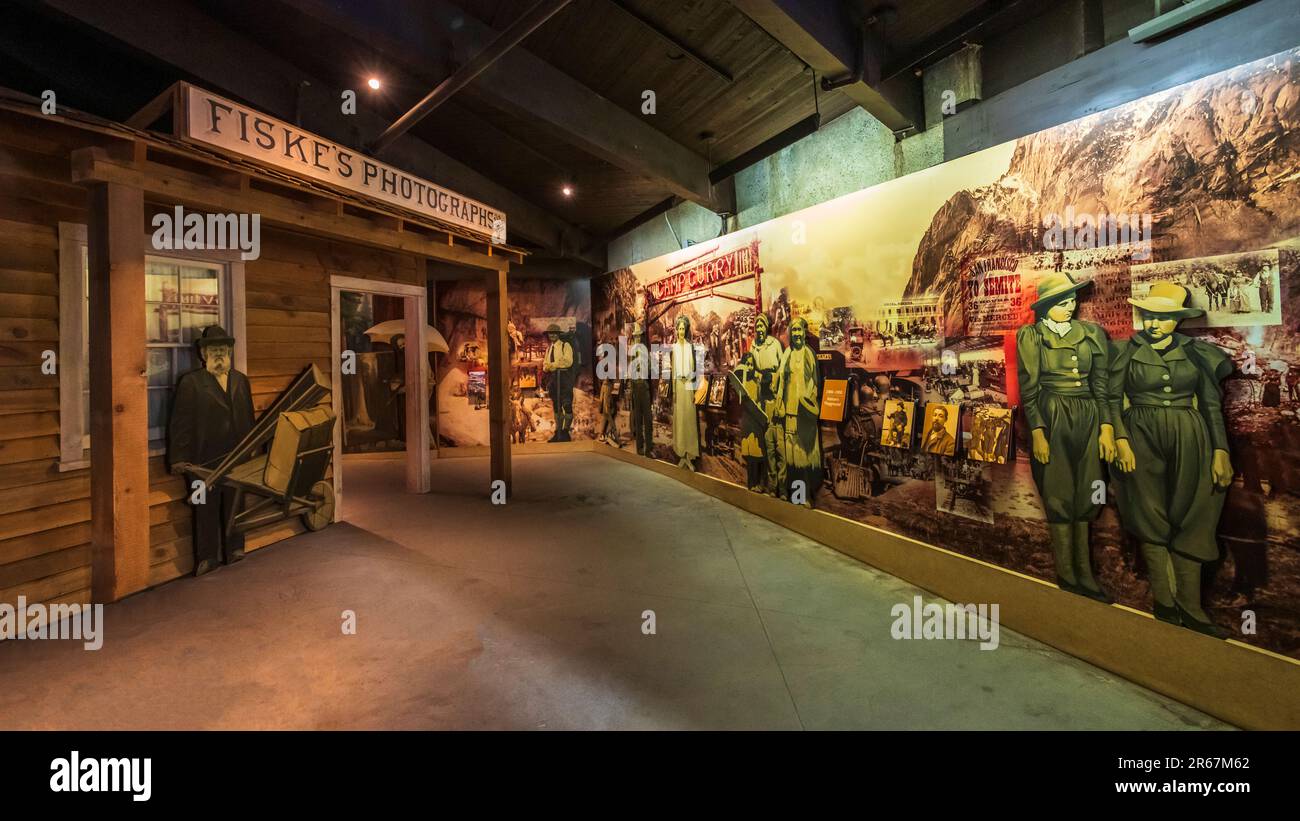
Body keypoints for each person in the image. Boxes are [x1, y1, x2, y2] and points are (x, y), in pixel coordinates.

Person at [1109, 280, 1234, 637]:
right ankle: (1165, 601)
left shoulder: (1198, 354)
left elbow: (1211, 406)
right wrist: (1119, 438)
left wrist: (1220, 451)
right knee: (1147, 509)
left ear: (1178, 320)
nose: (1152, 324)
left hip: (1190, 435)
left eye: (1162, 318)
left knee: (1194, 510)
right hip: (1139, 435)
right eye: (1148, 316)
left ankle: (1190, 606)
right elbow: (1111, 400)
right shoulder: (1126, 352)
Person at [1015, 272, 1114, 602]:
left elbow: (1102, 385)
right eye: (1061, 302)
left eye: (1071, 300)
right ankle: (1066, 572)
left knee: (1087, 489)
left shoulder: (1091, 334)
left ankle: (1085, 573)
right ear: (1046, 307)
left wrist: (1106, 428)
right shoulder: (1031, 336)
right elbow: (1030, 389)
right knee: (1058, 490)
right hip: (1053, 413)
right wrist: (1039, 432)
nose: (1069, 306)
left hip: (1087, 413)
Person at [167, 325, 255, 576]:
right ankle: (207, 557)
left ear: (229, 351)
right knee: (204, 507)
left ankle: (235, 548)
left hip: (236, 457)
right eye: (213, 349)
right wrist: (180, 459)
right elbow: (180, 423)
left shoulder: (240, 380)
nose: (219, 354)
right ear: (203, 354)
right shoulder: (191, 383)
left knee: (235, 502)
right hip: (202, 459)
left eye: (223, 349)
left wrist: (250, 451)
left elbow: (248, 418)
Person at [774, 317, 821, 506]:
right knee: (793, 458)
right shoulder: (787, 354)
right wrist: (780, 403)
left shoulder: (809, 354)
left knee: (805, 457)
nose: (796, 334)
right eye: (793, 331)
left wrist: (808, 402)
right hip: (790, 412)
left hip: (805, 414)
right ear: (790, 335)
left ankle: (807, 496)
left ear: (804, 332)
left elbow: (815, 383)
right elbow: (781, 384)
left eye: (799, 331)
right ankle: (797, 496)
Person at [749, 314, 785, 495]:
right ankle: (766, 483)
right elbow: (751, 368)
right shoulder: (753, 346)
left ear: (767, 328)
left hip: (773, 397)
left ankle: (779, 486)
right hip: (760, 397)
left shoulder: (775, 344)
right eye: (757, 327)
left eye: (762, 326)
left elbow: (782, 369)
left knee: (775, 444)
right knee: (763, 443)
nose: (759, 330)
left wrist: (774, 380)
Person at [670, 316, 701, 469]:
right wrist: (674, 391)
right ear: (676, 330)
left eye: (683, 329)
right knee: (680, 420)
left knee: (689, 419)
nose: (681, 331)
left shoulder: (690, 347)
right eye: (679, 329)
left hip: (688, 385)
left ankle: (690, 453)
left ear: (686, 330)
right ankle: (681, 452)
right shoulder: (674, 348)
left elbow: (694, 370)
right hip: (679, 386)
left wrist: (694, 390)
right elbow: (673, 371)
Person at [542, 323, 574, 442]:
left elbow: (568, 362)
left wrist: (553, 365)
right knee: (556, 406)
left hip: (564, 380)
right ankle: (558, 432)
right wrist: (551, 366)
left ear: (559, 334)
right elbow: (545, 365)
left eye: (555, 333)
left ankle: (565, 432)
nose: (553, 335)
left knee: (567, 405)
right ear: (548, 335)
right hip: (553, 380)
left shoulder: (565, 346)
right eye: (551, 333)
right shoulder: (549, 348)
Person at [626, 321, 653, 456]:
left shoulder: (644, 351)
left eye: (639, 336)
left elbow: (649, 369)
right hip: (636, 387)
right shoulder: (631, 352)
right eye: (635, 336)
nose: (637, 338)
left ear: (641, 337)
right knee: (638, 418)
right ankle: (639, 448)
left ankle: (649, 449)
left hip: (644, 386)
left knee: (648, 419)